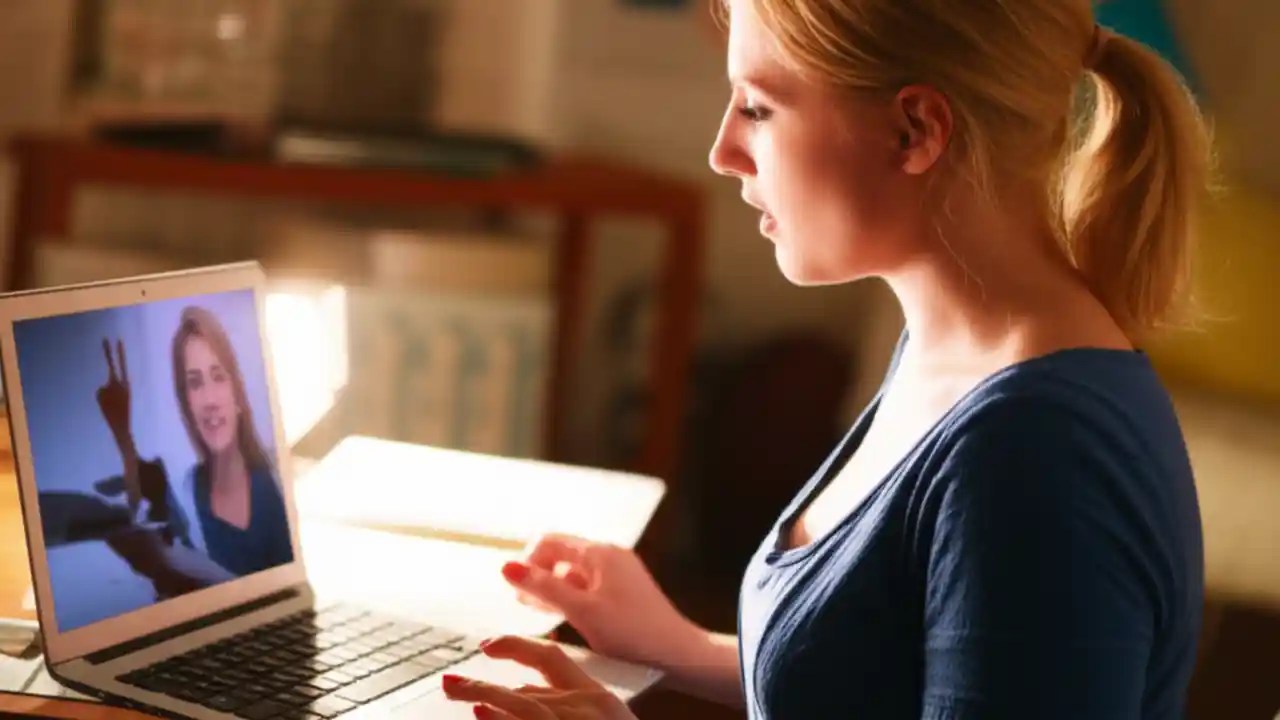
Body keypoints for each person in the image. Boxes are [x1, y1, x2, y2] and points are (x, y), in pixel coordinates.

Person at [447, 0, 1211, 716]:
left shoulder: (1038, 454)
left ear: (915, 130)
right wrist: (673, 646)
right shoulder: (954, 356)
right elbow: (874, 679)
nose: (723, 152)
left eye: (758, 106)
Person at [96, 306, 293, 597]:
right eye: (195, 383)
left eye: (218, 376)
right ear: (186, 403)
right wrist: (122, 432)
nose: (210, 399)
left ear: (237, 392)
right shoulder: (187, 495)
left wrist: (205, 572)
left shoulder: (275, 481)